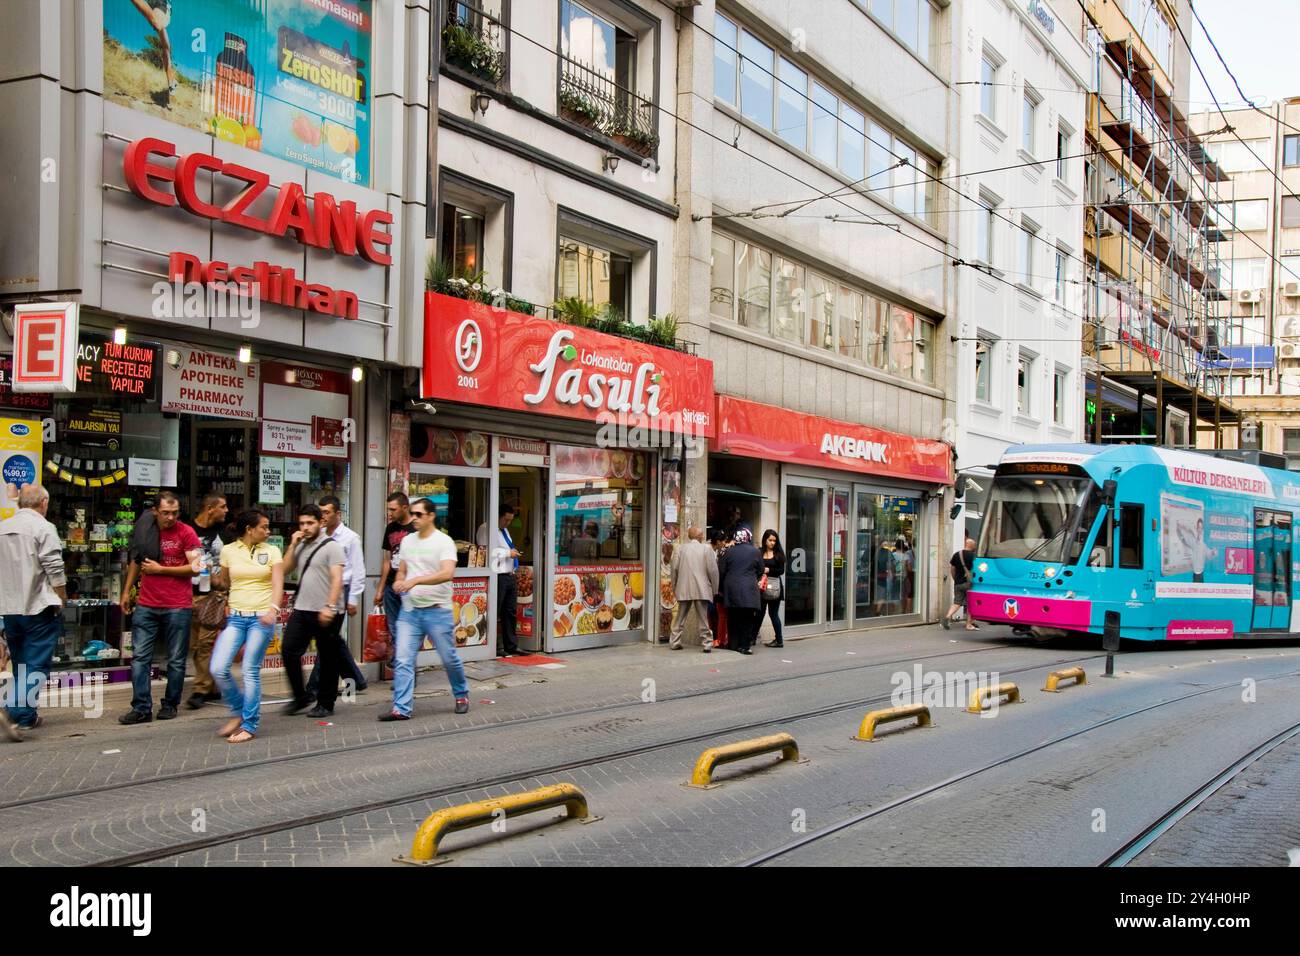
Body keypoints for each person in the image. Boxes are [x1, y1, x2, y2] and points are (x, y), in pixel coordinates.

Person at [119, 492, 202, 724]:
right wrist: (126, 592)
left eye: (175, 513)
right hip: (147, 602)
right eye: (165, 512)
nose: (170, 517)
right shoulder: (146, 530)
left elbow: (196, 567)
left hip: (178, 605)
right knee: (140, 658)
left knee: (175, 659)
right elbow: (137, 562)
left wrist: (161, 570)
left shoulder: (186, 532)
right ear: (155, 511)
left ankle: (170, 704)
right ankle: (141, 707)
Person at [384, 498, 469, 719]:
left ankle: (461, 693)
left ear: (431, 516)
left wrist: (415, 581)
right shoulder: (408, 541)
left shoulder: (444, 542)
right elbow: (401, 569)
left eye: (419, 514)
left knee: (448, 657)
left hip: (437, 611)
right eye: (412, 513)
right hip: (410, 610)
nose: (414, 518)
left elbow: (446, 573)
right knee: (403, 659)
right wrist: (399, 581)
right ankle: (401, 708)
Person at [210, 509, 284, 743]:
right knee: (218, 668)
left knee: (249, 670)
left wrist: (273, 609)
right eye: (264, 527)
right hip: (236, 617)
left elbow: (277, 583)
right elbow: (224, 582)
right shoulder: (229, 551)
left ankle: (249, 724)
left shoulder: (272, 551)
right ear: (249, 530)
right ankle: (237, 710)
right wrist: (202, 569)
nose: (268, 531)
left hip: (262, 617)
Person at [0, 485, 67, 740]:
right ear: (44, 503)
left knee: (22, 664)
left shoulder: (3, 527)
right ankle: (13, 711)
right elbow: (54, 566)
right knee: (37, 665)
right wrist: (62, 597)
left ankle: (26, 717)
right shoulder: (43, 527)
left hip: (10, 608)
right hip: (38, 606)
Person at [280, 505, 345, 717]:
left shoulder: (332, 546)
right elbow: (285, 568)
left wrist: (330, 606)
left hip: (325, 609)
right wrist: (292, 544)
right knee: (289, 649)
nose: (306, 528)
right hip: (302, 608)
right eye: (302, 523)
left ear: (321, 523)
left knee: (327, 657)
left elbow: (337, 578)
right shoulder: (301, 545)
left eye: (310, 523)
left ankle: (326, 703)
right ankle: (300, 696)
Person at [306, 496, 368, 696]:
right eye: (320, 511)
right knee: (332, 639)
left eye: (326, 512)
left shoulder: (350, 538)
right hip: (322, 591)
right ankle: (356, 680)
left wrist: (353, 599)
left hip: (343, 590)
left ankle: (314, 687)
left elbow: (358, 570)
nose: (322, 516)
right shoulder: (319, 535)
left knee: (327, 638)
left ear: (338, 514)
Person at [187, 493, 231, 709]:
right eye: (222, 507)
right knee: (195, 644)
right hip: (189, 592)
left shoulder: (225, 534)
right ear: (210, 508)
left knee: (206, 642)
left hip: (215, 594)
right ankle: (212, 686)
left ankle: (200, 689)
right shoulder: (188, 531)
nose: (226, 510)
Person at [373, 492, 415, 659]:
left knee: (409, 630)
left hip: (410, 587)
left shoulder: (416, 528)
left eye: (393, 509)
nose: (390, 513)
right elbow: (386, 560)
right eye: (388, 509)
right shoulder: (390, 528)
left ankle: (406, 672)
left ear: (405, 507)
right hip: (391, 587)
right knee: (394, 629)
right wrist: (380, 589)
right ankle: (402, 673)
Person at [477, 503, 522, 656]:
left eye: (510, 520)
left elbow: (505, 548)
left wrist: (511, 553)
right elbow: (485, 551)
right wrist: (508, 554)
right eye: (506, 520)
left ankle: (511, 645)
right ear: (498, 516)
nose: (508, 523)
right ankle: (494, 646)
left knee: (510, 612)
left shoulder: (504, 530)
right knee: (495, 612)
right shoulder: (486, 528)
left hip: (509, 574)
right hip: (497, 575)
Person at [669, 526, 718, 652]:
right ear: (700, 536)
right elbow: (713, 571)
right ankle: (707, 643)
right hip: (702, 589)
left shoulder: (680, 549)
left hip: (683, 587)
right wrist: (715, 590)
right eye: (702, 535)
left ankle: (675, 641)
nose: (703, 537)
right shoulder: (707, 550)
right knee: (703, 618)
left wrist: (674, 587)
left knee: (680, 616)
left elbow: (674, 569)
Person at [717, 527, 764, 655]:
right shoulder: (756, 552)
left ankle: (733, 644)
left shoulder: (727, 552)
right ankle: (745, 645)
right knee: (748, 618)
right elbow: (760, 570)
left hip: (731, 589)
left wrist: (721, 588)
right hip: (749, 589)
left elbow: (721, 571)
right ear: (748, 537)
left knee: (733, 617)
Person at [129, 0, 176, 109]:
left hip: (161, 3)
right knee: (165, 45)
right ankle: (172, 83)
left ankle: (172, 83)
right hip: (154, 4)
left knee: (159, 28)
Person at [943, 536, 978, 631]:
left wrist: (955, 579)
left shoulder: (956, 554)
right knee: (971, 603)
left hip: (958, 583)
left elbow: (952, 569)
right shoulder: (974, 557)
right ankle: (969, 624)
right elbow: (978, 570)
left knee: (957, 602)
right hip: (969, 583)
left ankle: (947, 617)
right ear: (972, 546)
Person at [759, 529, 786, 648]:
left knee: (773, 614)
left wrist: (769, 570)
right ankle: (752, 638)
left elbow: (781, 571)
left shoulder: (778, 554)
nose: (772, 543)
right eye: (770, 540)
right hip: (761, 586)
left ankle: (779, 640)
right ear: (765, 540)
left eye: (774, 540)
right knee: (759, 613)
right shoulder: (759, 552)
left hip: (774, 587)